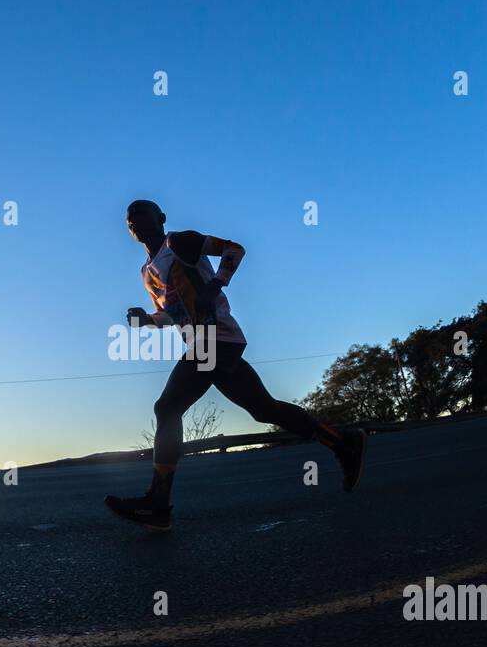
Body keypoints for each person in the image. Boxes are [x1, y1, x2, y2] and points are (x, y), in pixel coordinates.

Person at [104, 199, 366, 531]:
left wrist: (214, 287)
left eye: (141, 213)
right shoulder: (147, 272)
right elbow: (175, 312)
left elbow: (234, 249)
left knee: (167, 408)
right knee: (264, 409)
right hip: (209, 342)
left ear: (161, 218)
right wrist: (148, 321)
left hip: (214, 339)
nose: (134, 220)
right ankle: (344, 442)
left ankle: (158, 502)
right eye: (129, 219)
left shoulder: (179, 242)